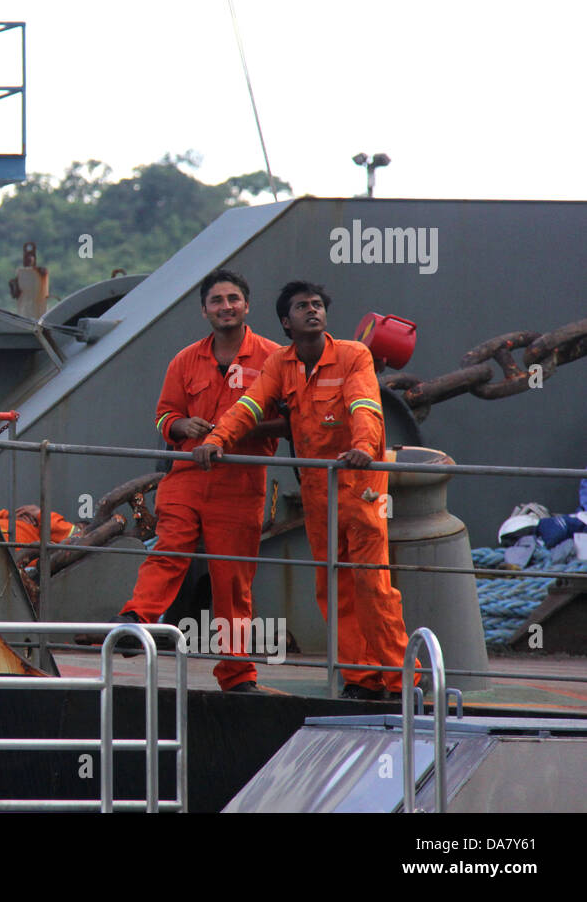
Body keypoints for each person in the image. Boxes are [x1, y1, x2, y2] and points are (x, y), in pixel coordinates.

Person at [193, 280, 415, 701]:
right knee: (333, 585)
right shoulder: (281, 364)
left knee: (372, 583)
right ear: (285, 322)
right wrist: (217, 440)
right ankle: (360, 678)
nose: (312, 311)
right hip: (317, 489)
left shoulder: (353, 355)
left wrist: (364, 448)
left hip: (361, 485)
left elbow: (364, 404)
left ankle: (404, 680)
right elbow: (251, 406)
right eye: (301, 307)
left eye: (317, 305)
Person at [82, 269, 283, 693]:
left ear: (246, 305)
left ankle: (237, 674)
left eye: (233, 298)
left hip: (241, 481)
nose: (225, 306)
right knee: (169, 550)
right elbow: (163, 414)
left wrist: (237, 431)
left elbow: (288, 421)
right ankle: (136, 621)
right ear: (205, 310)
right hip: (187, 475)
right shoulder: (185, 360)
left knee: (232, 581)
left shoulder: (274, 359)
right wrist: (180, 425)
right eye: (216, 300)